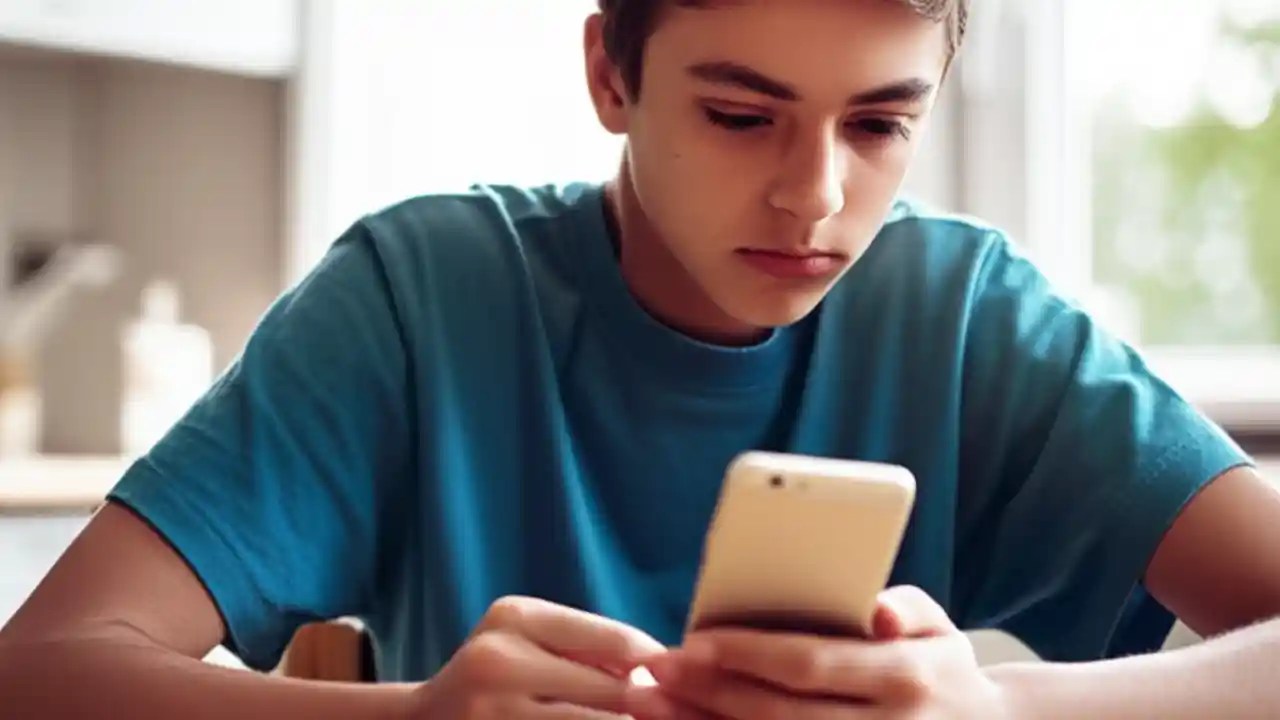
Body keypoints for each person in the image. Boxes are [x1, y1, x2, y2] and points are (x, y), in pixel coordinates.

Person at [4, 0, 1280, 717]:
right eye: (739, 115)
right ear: (610, 73)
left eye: (882, 122)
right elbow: (43, 670)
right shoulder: (419, 298)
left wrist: (998, 717)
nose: (814, 196)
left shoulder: (969, 319)